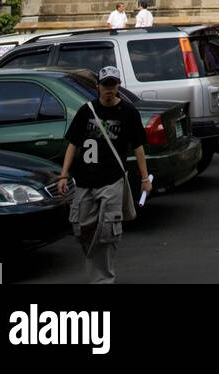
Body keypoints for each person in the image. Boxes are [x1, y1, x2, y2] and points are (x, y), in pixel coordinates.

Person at [57, 65, 152, 284]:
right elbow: (73, 144)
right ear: (98, 86)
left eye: (113, 85)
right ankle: (98, 270)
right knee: (82, 229)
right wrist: (63, 175)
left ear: (118, 86)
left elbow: (138, 148)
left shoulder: (128, 112)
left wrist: (145, 179)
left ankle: (103, 280)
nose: (110, 89)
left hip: (112, 180)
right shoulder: (86, 111)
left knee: (108, 232)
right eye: (106, 85)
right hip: (85, 180)